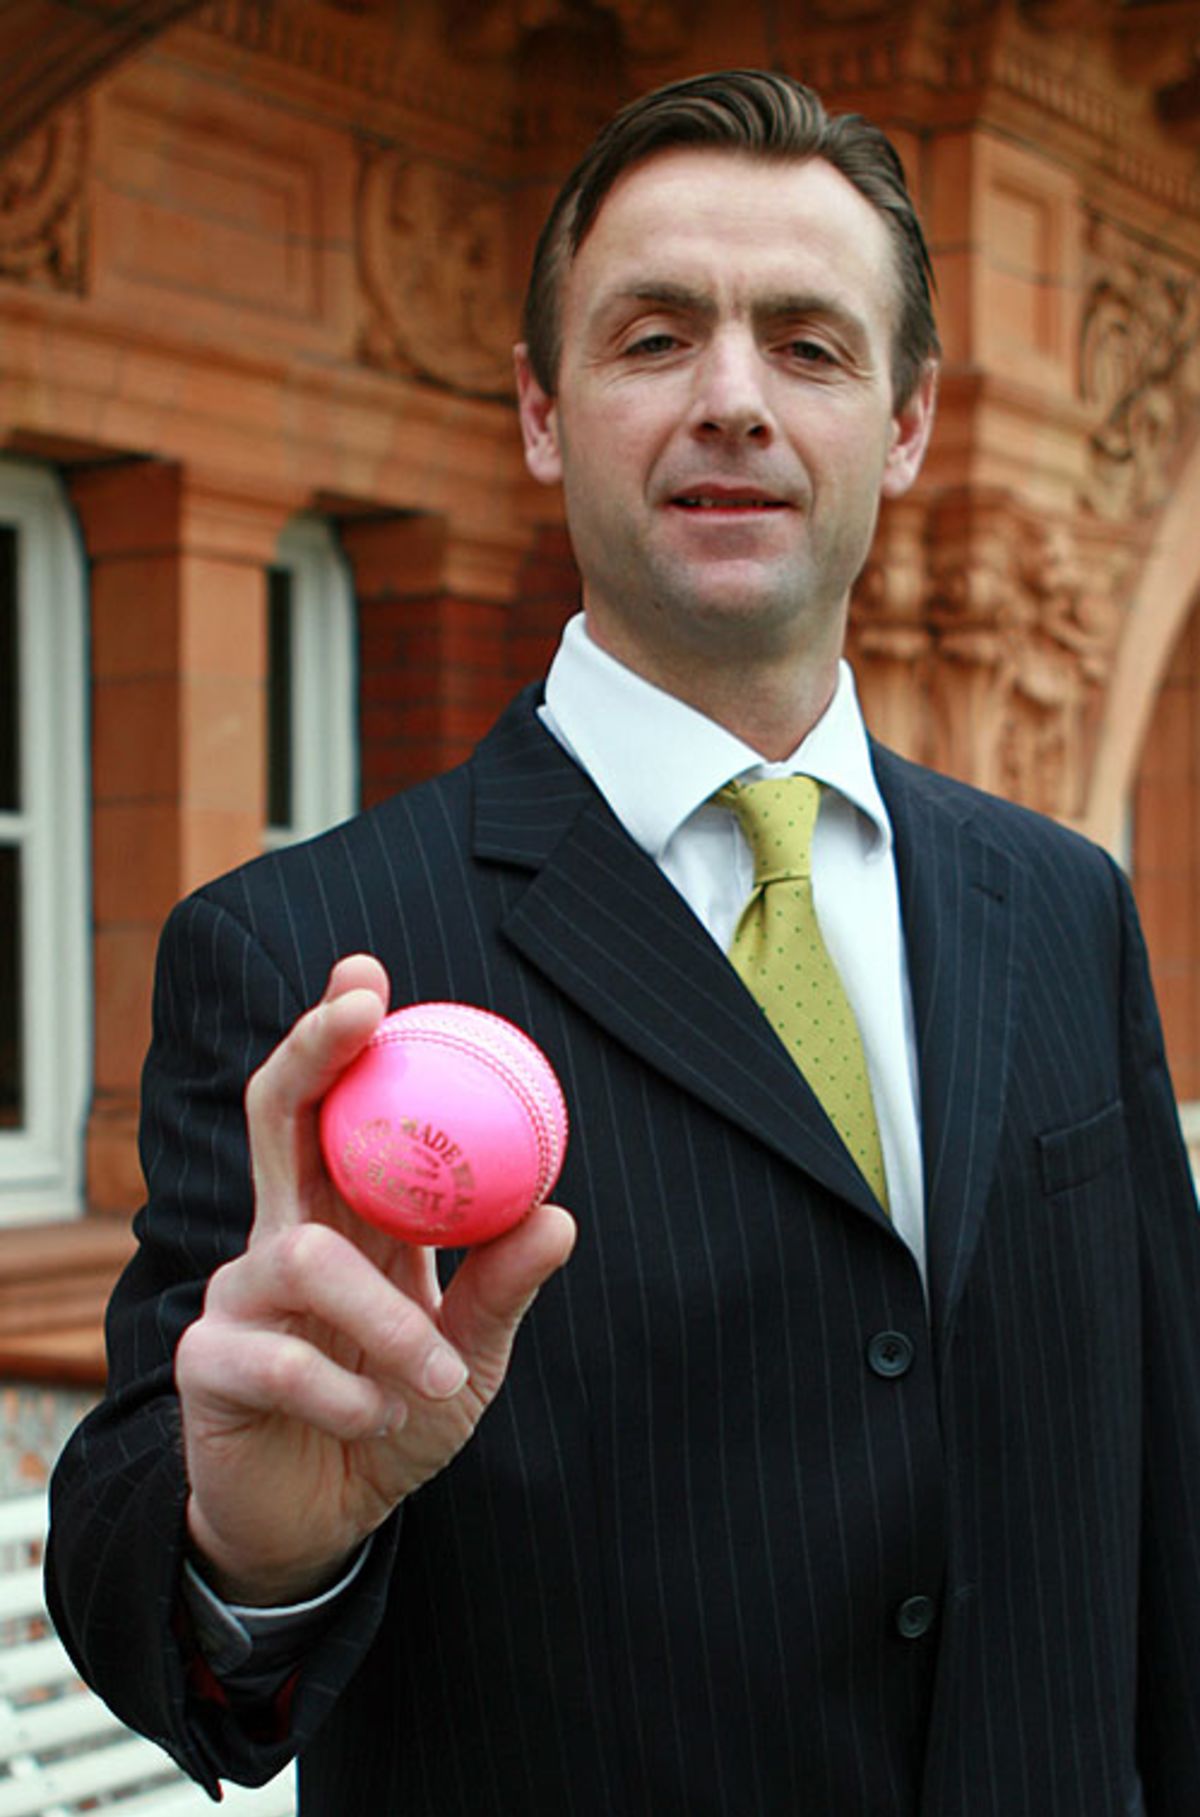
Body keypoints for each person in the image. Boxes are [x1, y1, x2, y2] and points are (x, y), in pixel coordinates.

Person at [46, 69, 1200, 1817]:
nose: (732, 399)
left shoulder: (1060, 900)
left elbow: (1166, 1493)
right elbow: (167, 1614)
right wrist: (249, 1551)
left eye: (808, 345)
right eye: (656, 335)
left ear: (905, 423)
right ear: (540, 409)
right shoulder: (301, 949)